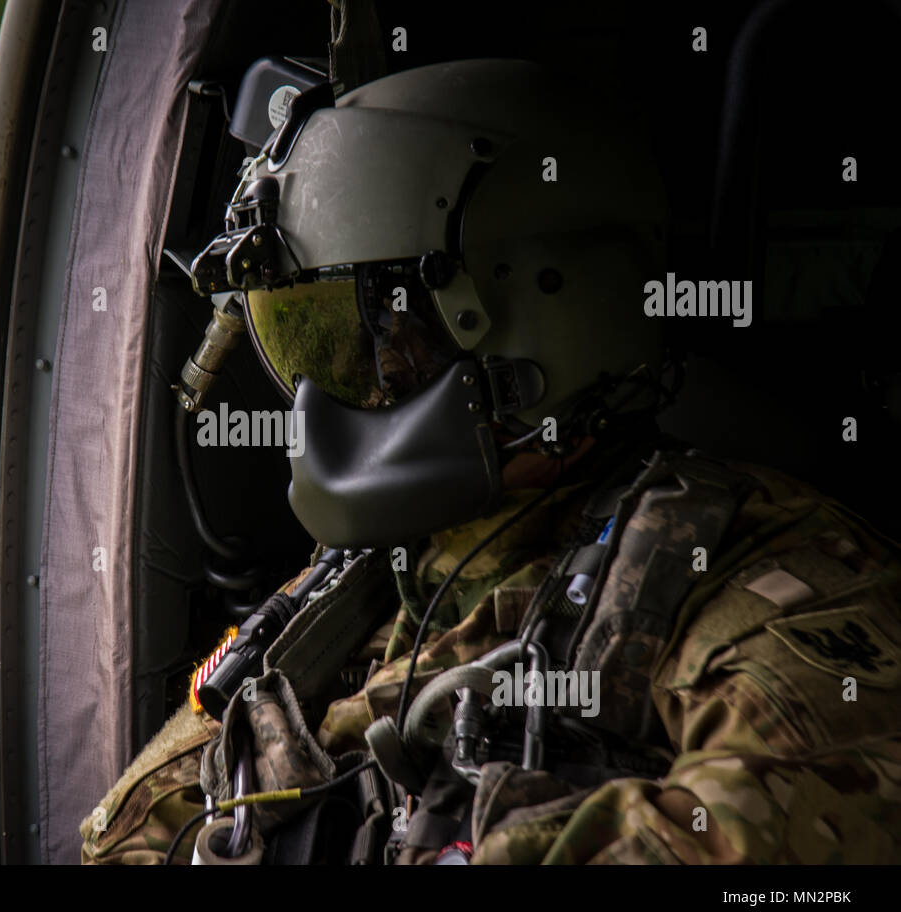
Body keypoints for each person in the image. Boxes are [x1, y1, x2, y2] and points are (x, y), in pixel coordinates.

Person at [80, 59, 901, 865]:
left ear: (543, 309)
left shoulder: (776, 585)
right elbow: (137, 832)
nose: (361, 388)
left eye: (393, 336)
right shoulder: (353, 587)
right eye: (331, 350)